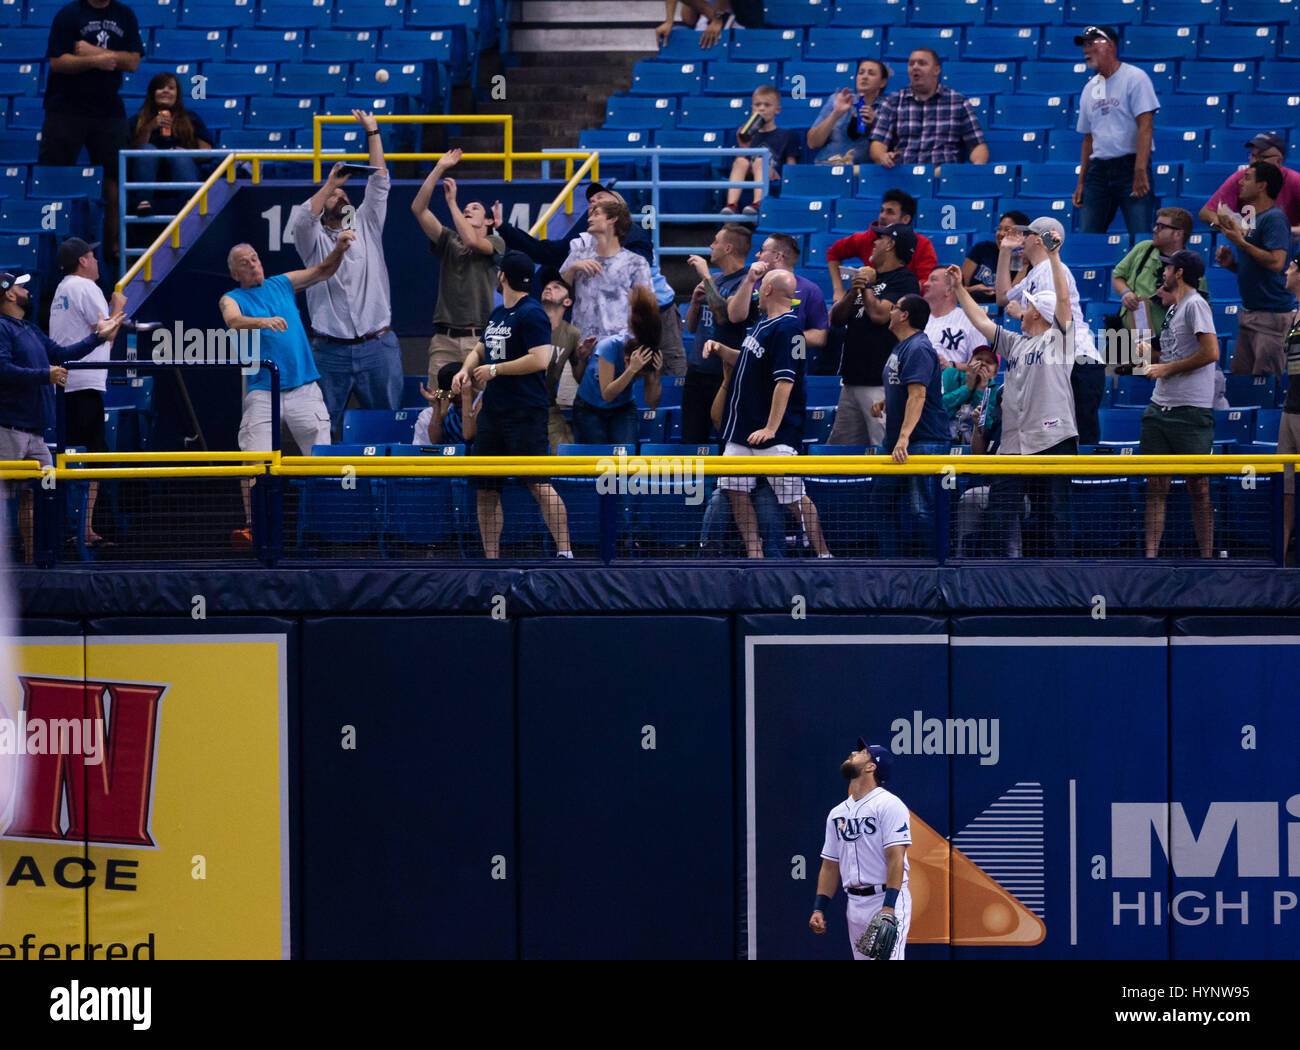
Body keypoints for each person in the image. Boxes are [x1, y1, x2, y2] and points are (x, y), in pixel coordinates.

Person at [220, 234, 356, 546]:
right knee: (253, 459)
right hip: (263, 393)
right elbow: (233, 321)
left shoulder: (282, 283)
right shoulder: (231, 297)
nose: (254, 265)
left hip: (305, 389)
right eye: (245, 263)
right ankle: (254, 526)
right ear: (235, 274)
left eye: (255, 258)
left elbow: (322, 271)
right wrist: (263, 322)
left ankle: (324, 529)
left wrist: (339, 248)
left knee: (321, 456)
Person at [950, 236, 1078, 559]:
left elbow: (1063, 300)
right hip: (1014, 444)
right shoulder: (1015, 344)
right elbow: (980, 321)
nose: (1023, 306)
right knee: (999, 515)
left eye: (1030, 304)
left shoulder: (1059, 340)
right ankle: (999, 582)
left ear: (1039, 313)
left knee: (1054, 518)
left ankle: (1059, 582)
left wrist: (1054, 258)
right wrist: (959, 290)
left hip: (1052, 439)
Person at [703, 269, 831, 559]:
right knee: (735, 490)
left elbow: (785, 381)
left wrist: (772, 428)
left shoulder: (788, 328)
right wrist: (723, 349)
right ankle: (754, 553)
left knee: (794, 497)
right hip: (742, 429)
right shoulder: (762, 322)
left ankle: (824, 554)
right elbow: (749, 360)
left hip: (774, 432)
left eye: (761, 287)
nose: (757, 292)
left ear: (769, 290)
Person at [451, 252, 572, 560]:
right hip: (493, 414)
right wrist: (465, 369)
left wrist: (497, 369)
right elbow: (480, 349)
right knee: (486, 490)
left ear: (502, 276)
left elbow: (540, 359)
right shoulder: (497, 314)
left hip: (525, 413)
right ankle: (492, 559)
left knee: (538, 484)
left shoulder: (532, 313)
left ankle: (566, 553)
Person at [287, 111, 398, 442]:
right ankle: (324, 492)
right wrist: (330, 184)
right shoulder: (312, 239)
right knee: (323, 431)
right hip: (329, 350)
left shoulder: (367, 223)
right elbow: (302, 219)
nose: (343, 196)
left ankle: (387, 492)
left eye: (345, 193)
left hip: (377, 344)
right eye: (336, 194)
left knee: (388, 427)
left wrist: (372, 131)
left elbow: (379, 180)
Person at [0, 269, 124, 562]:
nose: (27, 292)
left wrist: (98, 337)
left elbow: (61, 353)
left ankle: (32, 563)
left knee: (40, 495)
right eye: (21, 288)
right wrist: (46, 375)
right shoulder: (2, 329)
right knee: (4, 499)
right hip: (8, 431)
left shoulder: (30, 329)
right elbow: (2, 370)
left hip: (36, 433)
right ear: (8, 294)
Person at [495, 185, 683, 375]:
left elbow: (632, 272)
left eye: (600, 198)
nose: (593, 201)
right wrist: (504, 228)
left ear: (617, 211)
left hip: (658, 311)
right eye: (591, 202)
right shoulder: (582, 243)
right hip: (611, 326)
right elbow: (542, 251)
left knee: (666, 367)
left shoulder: (635, 235)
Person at [40, 0, 143, 263]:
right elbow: (58, 62)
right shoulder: (68, 14)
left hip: (108, 110)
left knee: (114, 178)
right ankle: (51, 249)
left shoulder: (124, 15)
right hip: (65, 108)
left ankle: (112, 249)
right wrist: (103, 59)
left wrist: (91, 53)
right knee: (54, 177)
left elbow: (132, 62)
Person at [1137, 249, 1219, 559]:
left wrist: (1165, 369)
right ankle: (1151, 557)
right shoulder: (1174, 309)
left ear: (1180, 273)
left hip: (1191, 410)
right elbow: (1170, 354)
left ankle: (1207, 558)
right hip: (1160, 407)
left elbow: (1211, 352)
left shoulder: (1196, 304)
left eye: (1168, 268)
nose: (1164, 273)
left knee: (1198, 487)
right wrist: (1148, 353)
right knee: (1156, 484)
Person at [996, 216, 1105, 445]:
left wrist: (1020, 314)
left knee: (1079, 434)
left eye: (1027, 235)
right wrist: (1004, 252)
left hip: (1077, 360)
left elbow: (1052, 316)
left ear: (1037, 239)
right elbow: (1002, 297)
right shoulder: (1036, 272)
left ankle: (1083, 482)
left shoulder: (1051, 270)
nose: (1022, 240)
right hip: (1065, 360)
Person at [49, 236, 126, 548]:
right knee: (95, 458)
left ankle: (74, 527)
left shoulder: (61, 289)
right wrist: (118, 306)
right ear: (82, 260)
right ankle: (84, 530)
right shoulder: (87, 287)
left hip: (66, 385)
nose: (97, 261)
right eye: (93, 256)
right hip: (84, 385)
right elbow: (105, 335)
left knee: (71, 458)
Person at [809, 739, 912, 961]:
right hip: (854, 904)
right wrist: (819, 908)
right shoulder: (837, 813)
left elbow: (896, 859)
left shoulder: (889, 805)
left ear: (871, 766)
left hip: (886, 898)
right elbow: (829, 866)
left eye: (862, 752)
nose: (853, 752)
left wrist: (889, 908)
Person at [412, 147, 505, 381]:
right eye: (465, 209)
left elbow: (473, 242)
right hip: (444, 339)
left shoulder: (496, 242)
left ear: (489, 220)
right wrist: (439, 168)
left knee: (479, 406)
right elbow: (418, 209)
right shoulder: (448, 240)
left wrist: (453, 204)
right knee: (439, 401)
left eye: (474, 208)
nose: (467, 210)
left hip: (480, 339)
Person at [827, 223, 920, 447]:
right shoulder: (866, 276)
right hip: (850, 382)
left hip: (881, 386)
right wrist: (853, 291)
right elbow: (837, 319)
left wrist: (867, 285)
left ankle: (883, 485)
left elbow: (880, 315)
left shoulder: (905, 280)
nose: (874, 243)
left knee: (882, 448)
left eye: (880, 239)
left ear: (890, 245)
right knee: (840, 452)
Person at [870, 293, 949, 555]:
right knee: (880, 500)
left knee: (922, 509)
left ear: (905, 315)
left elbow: (918, 394)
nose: (889, 311)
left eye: (894, 307)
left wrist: (904, 438)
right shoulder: (902, 346)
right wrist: (886, 400)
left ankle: (934, 568)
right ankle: (891, 563)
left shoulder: (918, 348)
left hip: (922, 440)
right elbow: (907, 386)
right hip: (896, 441)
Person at [1072, 25, 1159, 236]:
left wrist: (1140, 170)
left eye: (1091, 44)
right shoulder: (1089, 88)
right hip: (1098, 170)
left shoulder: (1135, 78)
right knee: (1088, 236)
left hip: (1129, 166)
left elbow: (1145, 126)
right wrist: (1081, 182)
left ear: (1110, 45)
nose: (1085, 50)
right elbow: (1088, 139)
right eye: (1084, 45)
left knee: (1140, 236)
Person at [1212, 161, 1297, 377]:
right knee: (1242, 384)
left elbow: (1277, 263)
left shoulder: (1275, 218)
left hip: (1271, 317)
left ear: (1262, 186)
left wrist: (1240, 243)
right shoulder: (1253, 219)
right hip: (1250, 313)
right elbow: (1259, 267)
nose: (1241, 182)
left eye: (1247, 178)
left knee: (1264, 385)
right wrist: (1232, 264)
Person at [683, 224, 752, 442]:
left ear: (728, 248)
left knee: (726, 437)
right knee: (691, 439)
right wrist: (694, 303)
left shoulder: (745, 283)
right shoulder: (716, 280)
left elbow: (724, 316)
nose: (711, 246)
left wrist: (705, 275)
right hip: (697, 371)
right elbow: (692, 327)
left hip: (724, 374)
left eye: (715, 241)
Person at [571, 286, 663, 445]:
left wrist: (655, 374)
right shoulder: (609, 347)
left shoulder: (647, 351)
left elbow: (652, 403)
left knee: (625, 460)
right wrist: (631, 370)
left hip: (623, 408)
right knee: (597, 463)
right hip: (589, 407)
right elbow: (607, 395)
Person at [1111, 208, 1204, 360]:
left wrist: (1174, 298)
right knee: (1113, 377)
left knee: (1155, 381)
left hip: (1163, 346)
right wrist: (1125, 293)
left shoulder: (1191, 267)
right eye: (1156, 225)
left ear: (1178, 234)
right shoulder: (1144, 248)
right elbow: (1117, 276)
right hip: (1126, 335)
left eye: (1161, 227)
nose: (1155, 229)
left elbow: (1199, 312)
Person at [869, 48, 988, 167]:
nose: (915, 67)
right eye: (911, 64)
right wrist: (882, 157)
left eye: (922, 63)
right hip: (904, 175)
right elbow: (878, 145)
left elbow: (977, 146)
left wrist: (976, 168)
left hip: (942, 177)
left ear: (936, 70)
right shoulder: (892, 102)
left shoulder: (958, 102)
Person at [561, 198, 654, 344]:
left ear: (613, 219)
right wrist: (572, 269)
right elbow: (560, 295)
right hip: (581, 344)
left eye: (596, 214)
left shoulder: (636, 263)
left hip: (618, 344)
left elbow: (646, 308)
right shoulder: (577, 255)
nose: (589, 218)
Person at [727, 233, 829, 357]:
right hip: (751, 360)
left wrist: (779, 337)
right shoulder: (750, 281)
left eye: (762, 250)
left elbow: (820, 336)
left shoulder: (810, 289)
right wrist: (749, 280)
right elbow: (735, 316)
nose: (757, 255)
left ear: (777, 256)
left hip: (790, 360)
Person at [826, 190, 938, 300]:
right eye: (882, 211)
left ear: (905, 219)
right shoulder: (867, 238)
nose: (882, 216)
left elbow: (929, 283)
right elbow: (833, 253)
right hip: (869, 300)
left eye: (890, 212)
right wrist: (838, 290)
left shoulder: (922, 244)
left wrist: (898, 287)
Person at [128, 72, 213, 216]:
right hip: (150, 177)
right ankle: (143, 202)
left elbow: (207, 152)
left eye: (171, 88)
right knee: (147, 150)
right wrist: (149, 128)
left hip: (183, 172)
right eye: (160, 88)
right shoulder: (137, 121)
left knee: (177, 156)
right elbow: (132, 154)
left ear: (177, 94)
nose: (166, 90)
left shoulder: (191, 118)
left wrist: (186, 153)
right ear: (152, 93)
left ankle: (190, 204)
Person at [1199, 133, 1300, 240]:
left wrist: (1287, 231)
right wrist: (1224, 224)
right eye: (1252, 155)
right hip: (1250, 243)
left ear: (1278, 161)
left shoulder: (1294, 180)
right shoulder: (1241, 179)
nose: (1254, 161)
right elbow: (1205, 213)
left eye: (1261, 157)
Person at [722, 86, 801, 216]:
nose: (761, 108)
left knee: (760, 161)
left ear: (777, 110)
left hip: (772, 174)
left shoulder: (787, 135)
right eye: (757, 105)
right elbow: (741, 162)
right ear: (752, 108)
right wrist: (744, 145)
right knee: (741, 162)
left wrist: (785, 179)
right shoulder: (746, 133)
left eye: (767, 105)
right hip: (749, 172)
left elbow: (791, 165)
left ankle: (758, 203)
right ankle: (732, 205)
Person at [537, 270, 586, 451]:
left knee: (566, 453)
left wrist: (583, 358)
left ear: (567, 302)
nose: (549, 288)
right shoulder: (529, 321)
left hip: (548, 406)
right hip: (520, 404)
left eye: (556, 287)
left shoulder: (572, 333)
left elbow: (578, 376)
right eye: (547, 287)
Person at [807, 59, 891, 166]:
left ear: (883, 82)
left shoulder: (888, 107)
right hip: (827, 165)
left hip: (861, 172)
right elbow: (812, 142)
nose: (864, 76)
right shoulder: (836, 100)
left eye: (871, 73)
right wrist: (835, 114)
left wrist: (875, 124)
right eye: (861, 73)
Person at [1278, 257, 1300, 560]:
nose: (1286, 271)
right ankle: (1280, 562)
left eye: (1292, 267)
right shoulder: (1293, 315)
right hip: (1290, 410)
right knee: (1284, 491)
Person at [923, 267, 985, 369]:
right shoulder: (917, 318)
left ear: (949, 289)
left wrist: (951, 366)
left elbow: (982, 366)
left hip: (952, 383)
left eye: (933, 280)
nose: (925, 284)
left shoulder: (970, 322)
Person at [963, 210, 1029, 303]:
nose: (1001, 233)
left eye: (1007, 230)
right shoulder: (982, 249)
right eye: (999, 228)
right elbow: (960, 289)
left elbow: (1012, 297)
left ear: (1020, 235)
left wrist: (1024, 264)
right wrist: (974, 289)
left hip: (1003, 309)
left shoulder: (1020, 258)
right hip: (972, 303)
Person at [943, 344, 999, 445]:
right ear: (969, 364)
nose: (982, 363)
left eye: (989, 362)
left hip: (974, 449)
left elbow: (986, 428)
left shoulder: (995, 390)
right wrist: (968, 387)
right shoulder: (950, 374)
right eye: (978, 359)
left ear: (994, 374)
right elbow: (941, 410)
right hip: (944, 444)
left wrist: (981, 389)